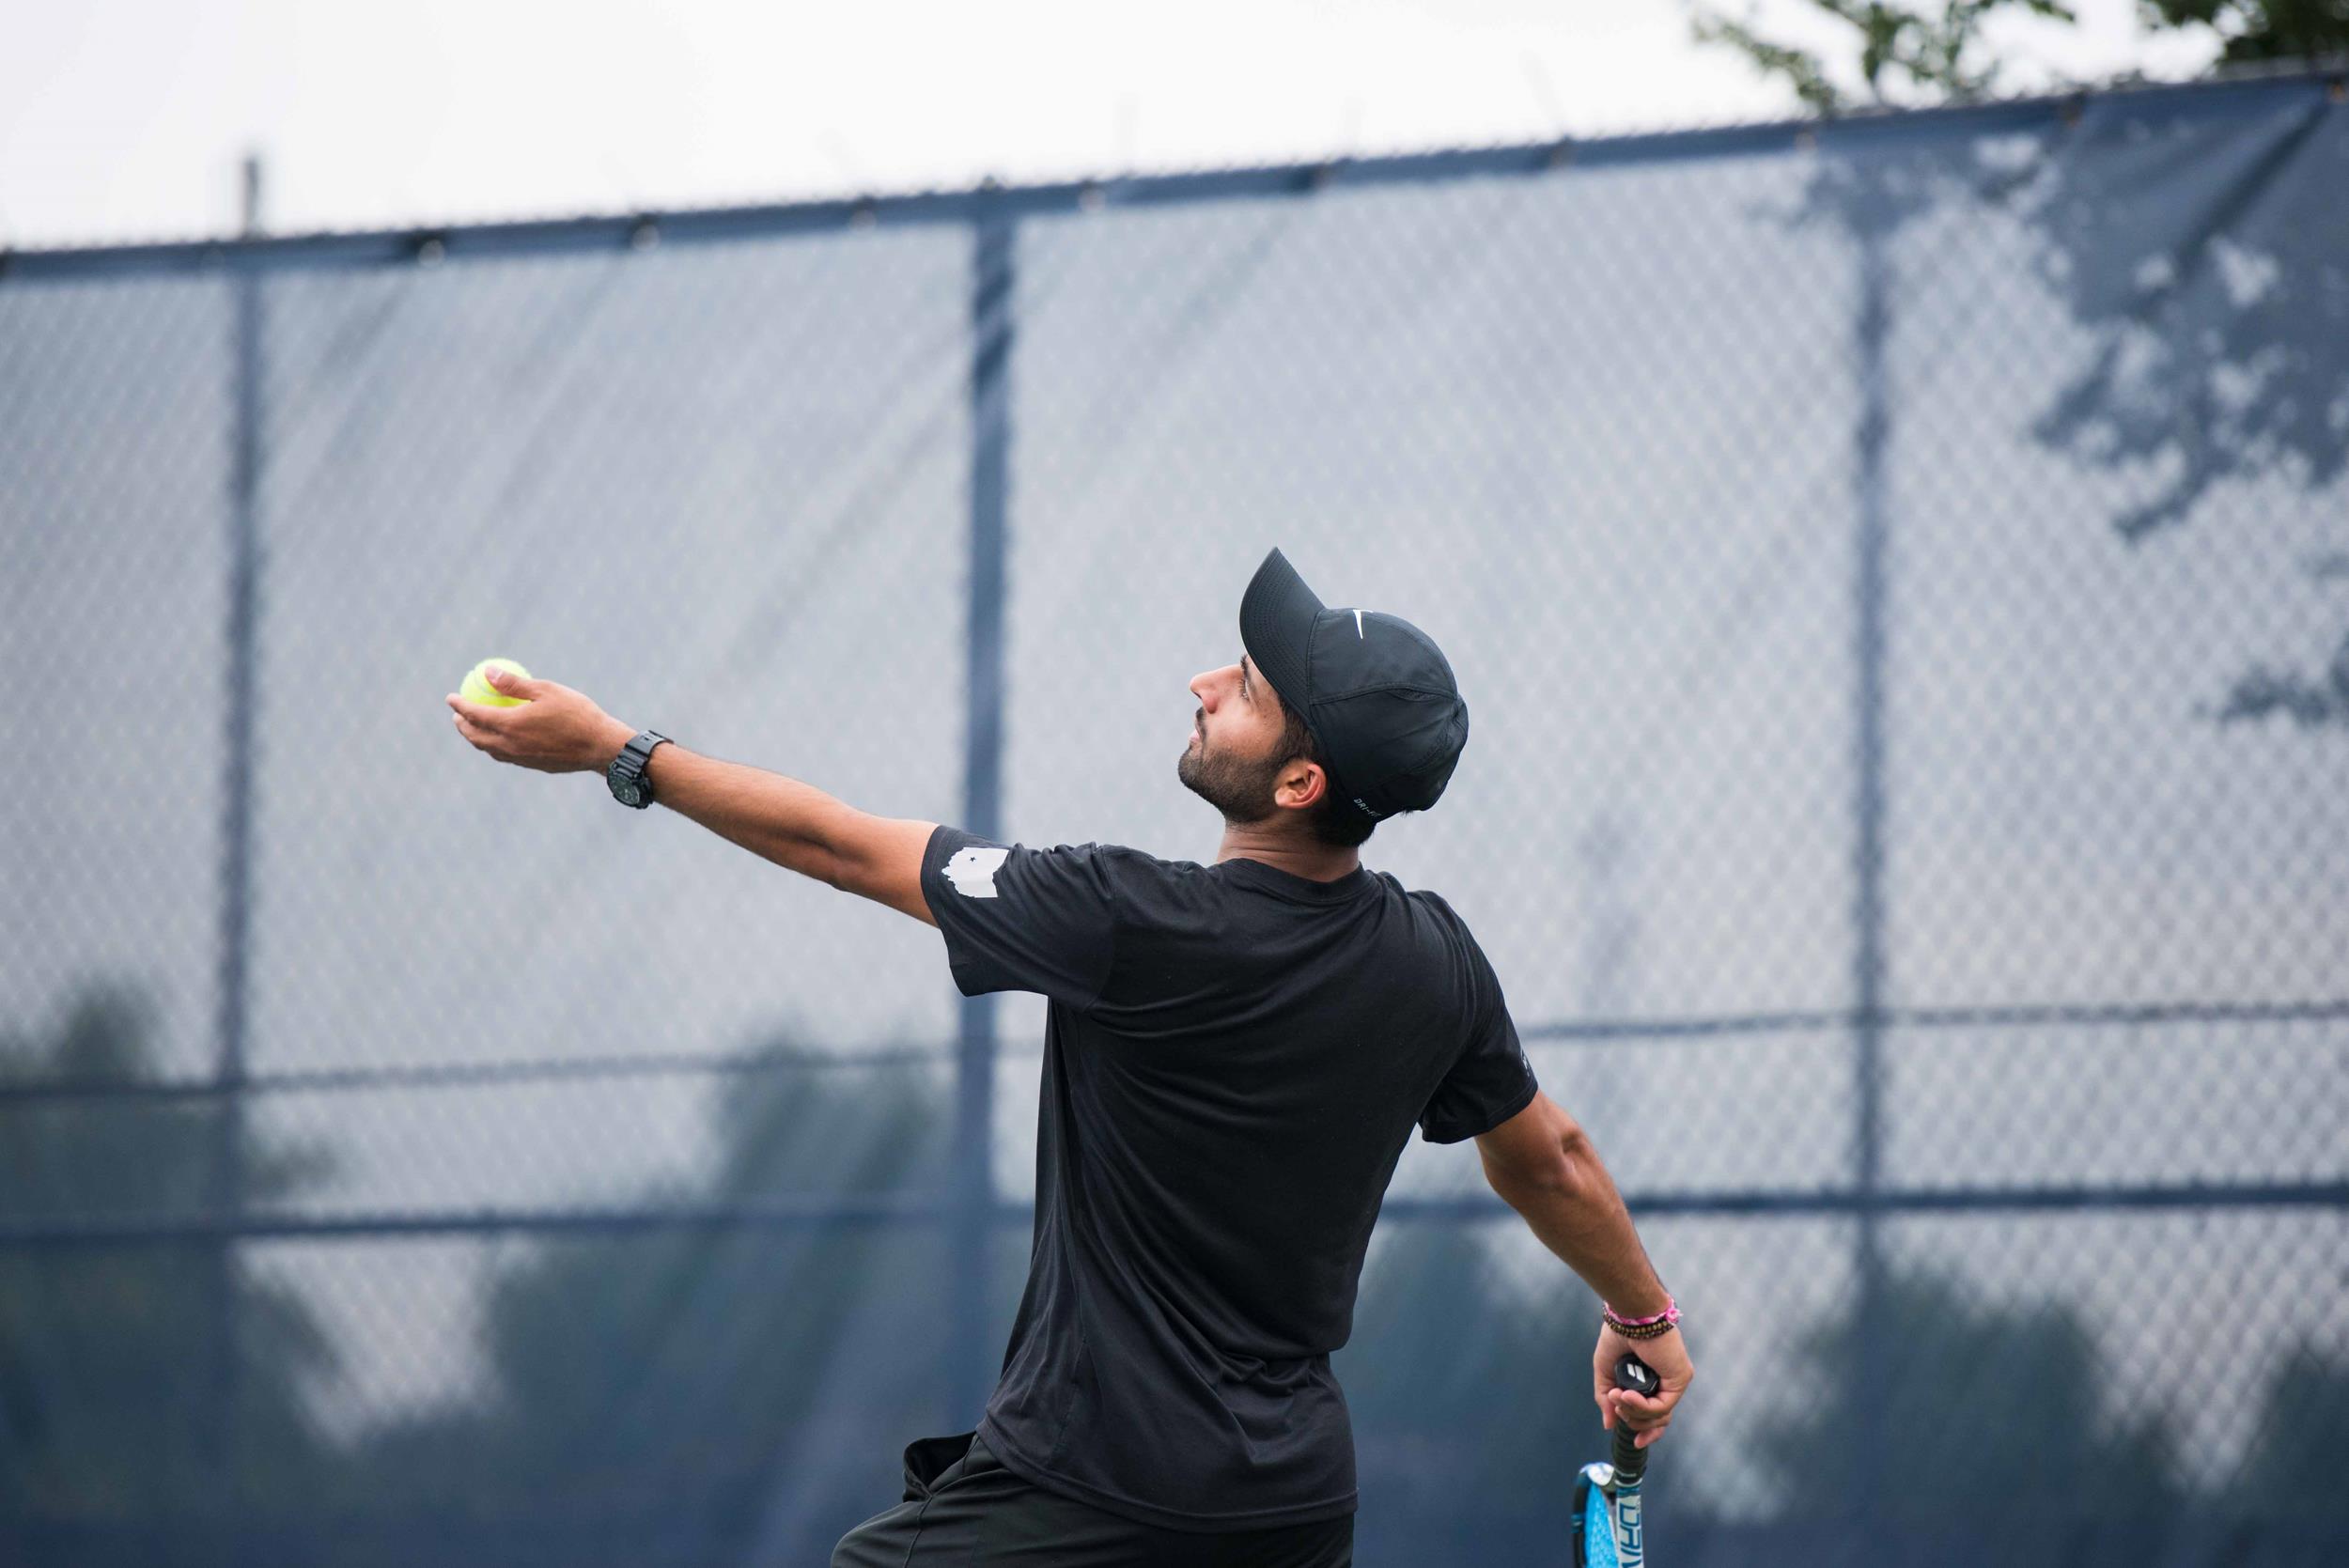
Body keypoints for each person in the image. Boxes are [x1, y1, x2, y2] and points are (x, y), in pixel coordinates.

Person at [446, 546, 1693, 1566]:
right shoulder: (1436, 960)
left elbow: (840, 847)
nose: (1205, 680)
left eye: (1247, 688)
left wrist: (618, 750)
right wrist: (1645, 1313)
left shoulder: (1125, 919)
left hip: (1100, 1485)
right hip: (1288, 1509)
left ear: (1301, 778)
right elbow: (1553, 1159)